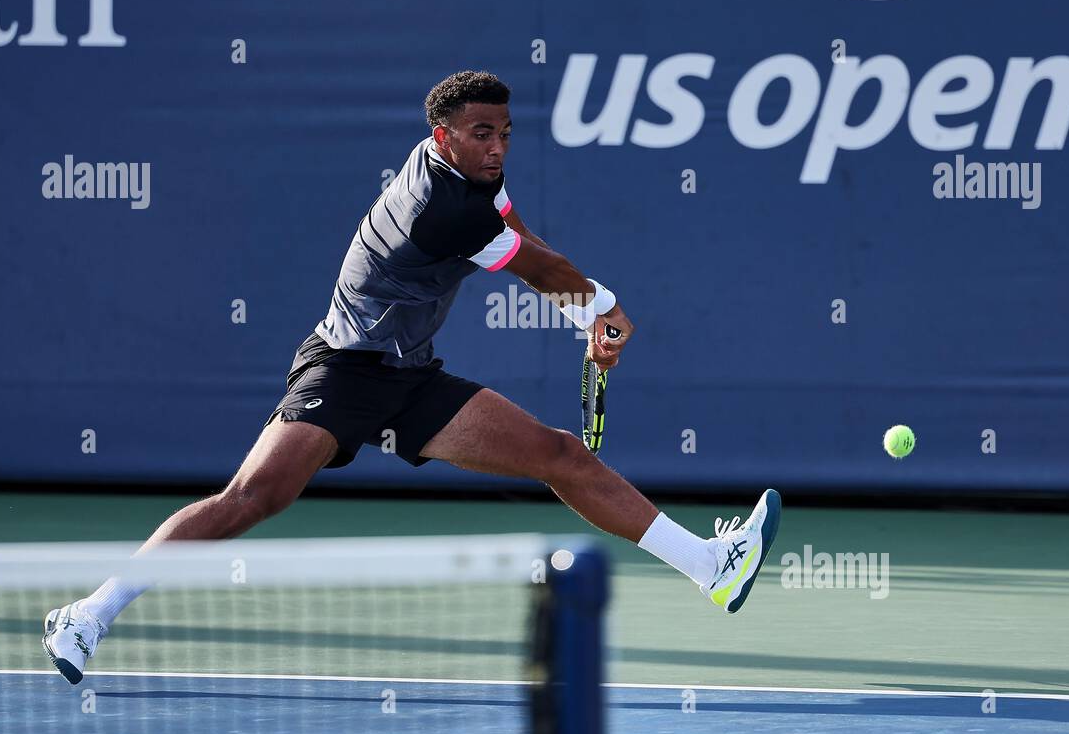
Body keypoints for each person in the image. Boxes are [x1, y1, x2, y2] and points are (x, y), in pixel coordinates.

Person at [43, 70, 781, 684]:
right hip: (343, 371)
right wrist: (604, 309)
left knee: (561, 456)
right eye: (480, 134)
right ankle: (89, 615)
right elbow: (538, 267)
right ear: (443, 137)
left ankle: (711, 565)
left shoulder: (461, 176)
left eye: (503, 132)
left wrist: (583, 317)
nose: (495, 148)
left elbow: (515, 230)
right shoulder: (438, 208)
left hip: (412, 380)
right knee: (254, 498)